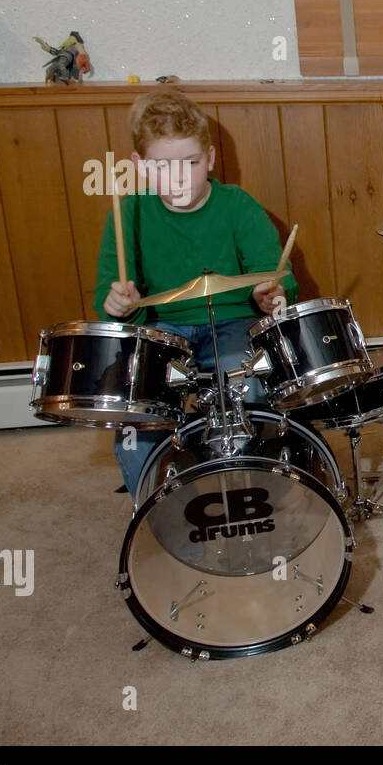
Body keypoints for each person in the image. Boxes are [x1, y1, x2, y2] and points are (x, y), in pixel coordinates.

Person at [93, 89, 297, 496]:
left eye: (189, 162)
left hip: (232, 322)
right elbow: (108, 298)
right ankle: (156, 509)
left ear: (210, 159)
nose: (179, 176)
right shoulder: (129, 213)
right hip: (162, 331)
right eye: (163, 166)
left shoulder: (238, 205)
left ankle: (247, 491)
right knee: (136, 412)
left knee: (248, 380)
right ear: (140, 167)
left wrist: (270, 295)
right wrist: (117, 305)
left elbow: (279, 277)